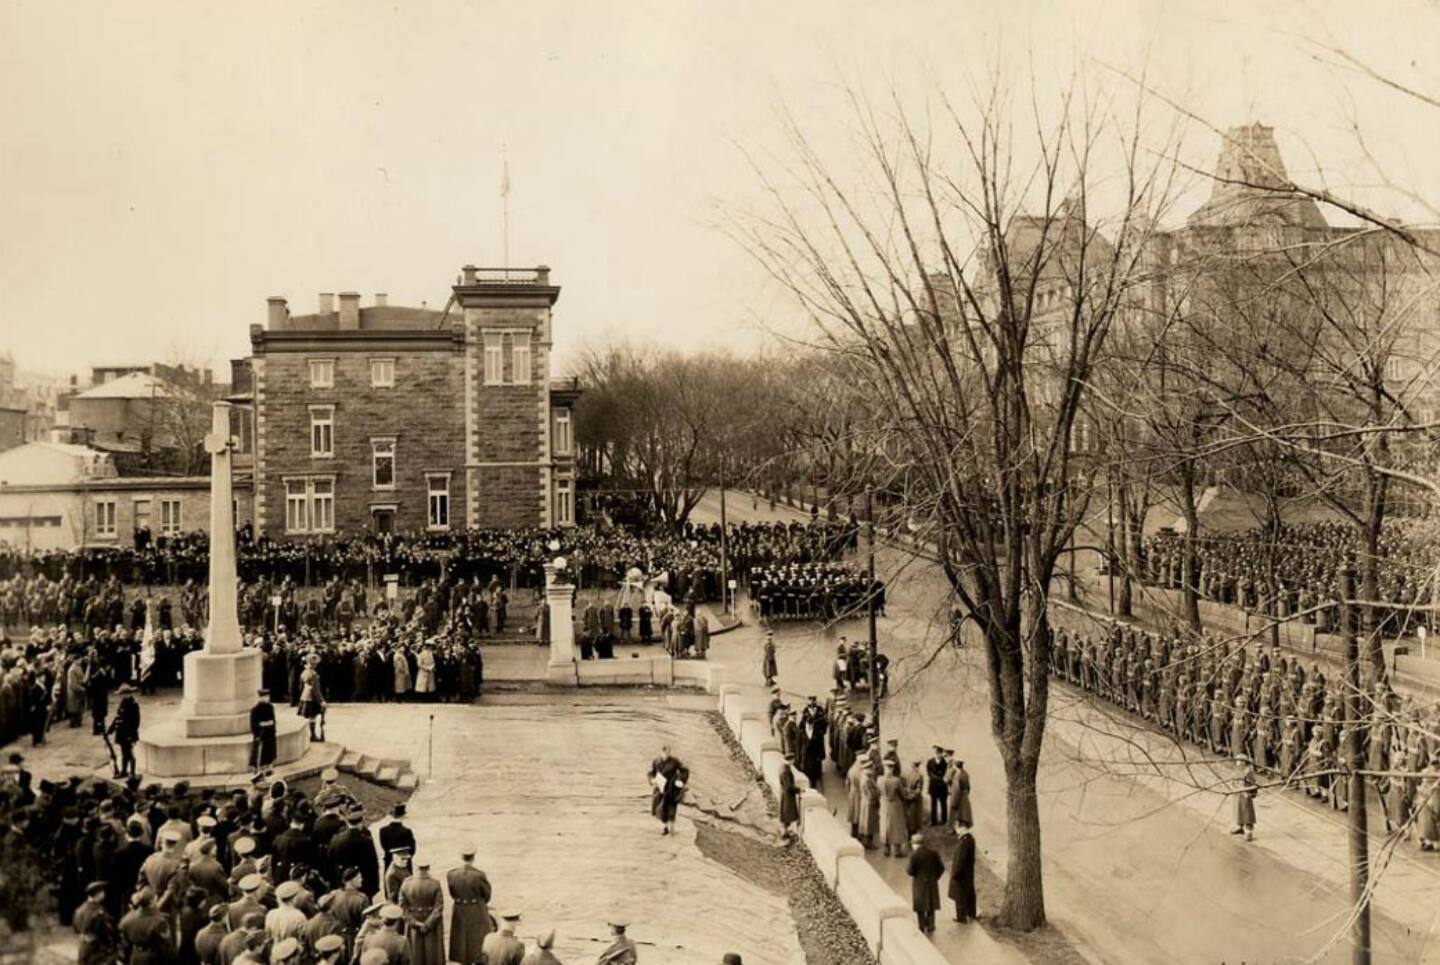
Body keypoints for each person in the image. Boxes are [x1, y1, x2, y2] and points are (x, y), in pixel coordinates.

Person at [446, 845, 493, 965]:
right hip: (475, 908)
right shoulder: (479, 875)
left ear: (461, 857)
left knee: (460, 939)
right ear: (473, 858)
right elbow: (487, 895)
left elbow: (452, 893)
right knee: (477, 940)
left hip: (459, 909)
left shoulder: (451, 874)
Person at [400, 858, 445, 965]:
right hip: (431, 926)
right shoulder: (435, 883)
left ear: (416, 867)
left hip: (413, 925)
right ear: (428, 868)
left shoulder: (406, 883)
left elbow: (402, 908)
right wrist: (427, 924)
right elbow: (438, 907)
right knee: (432, 955)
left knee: (415, 955)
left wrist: (414, 923)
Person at [906, 833, 945, 934]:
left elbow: (910, 871)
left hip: (919, 884)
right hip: (932, 883)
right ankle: (931, 925)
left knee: (920, 906)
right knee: (931, 905)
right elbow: (941, 868)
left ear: (915, 844)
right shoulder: (933, 853)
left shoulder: (914, 855)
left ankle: (922, 925)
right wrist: (936, 877)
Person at [648, 746, 688, 836]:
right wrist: (652, 780)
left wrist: (680, 781)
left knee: (671, 807)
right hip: (661, 787)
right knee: (661, 808)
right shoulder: (656, 761)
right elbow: (651, 773)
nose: (666, 754)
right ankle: (665, 827)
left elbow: (684, 770)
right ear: (661, 753)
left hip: (671, 787)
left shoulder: (674, 761)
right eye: (664, 753)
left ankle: (671, 827)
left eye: (668, 753)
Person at [75, 881, 117, 965]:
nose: (104, 894)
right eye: (102, 892)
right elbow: (107, 931)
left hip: (83, 948)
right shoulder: (99, 911)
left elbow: (76, 929)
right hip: (98, 950)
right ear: (97, 894)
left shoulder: (79, 910)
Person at [110, 684, 141, 778]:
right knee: (124, 753)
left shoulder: (133, 705)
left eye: (123, 694)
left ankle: (132, 772)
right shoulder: (123, 703)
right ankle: (124, 771)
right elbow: (118, 718)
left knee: (129, 753)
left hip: (128, 733)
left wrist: (131, 735)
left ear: (128, 694)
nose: (121, 696)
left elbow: (135, 722)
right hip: (122, 732)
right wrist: (111, 729)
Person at [950, 830, 977, 923]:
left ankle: (961, 917)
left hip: (961, 874)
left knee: (960, 896)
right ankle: (971, 913)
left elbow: (960, 861)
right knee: (969, 892)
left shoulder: (963, 843)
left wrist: (955, 874)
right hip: (968, 873)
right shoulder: (971, 840)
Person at [379, 804, 417, 869]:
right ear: (403, 816)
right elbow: (412, 850)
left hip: (389, 862)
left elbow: (384, 847)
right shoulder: (407, 831)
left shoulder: (383, 830)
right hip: (404, 864)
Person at [249, 689, 277, 774]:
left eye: (268, 696)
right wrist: (257, 734)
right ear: (260, 698)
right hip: (261, 734)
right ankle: (257, 769)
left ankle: (269, 767)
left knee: (270, 751)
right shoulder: (255, 710)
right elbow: (253, 724)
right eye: (265, 697)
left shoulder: (270, 707)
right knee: (258, 753)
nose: (267, 698)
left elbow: (273, 720)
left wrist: (272, 729)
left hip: (270, 733)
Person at [1232, 754, 1258, 841]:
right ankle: (1239, 826)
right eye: (1237, 761)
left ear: (1244, 762)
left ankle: (1249, 831)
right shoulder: (1236, 770)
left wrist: (1251, 792)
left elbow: (1252, 784)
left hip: (1245, 794)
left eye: (1239, 761)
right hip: (1237, 793)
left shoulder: (1248, 771)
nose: (1238, 762)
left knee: (1247, 812)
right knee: (1238, 810)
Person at [777, 756, 801, 842]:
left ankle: (785, 832)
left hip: (785, 795)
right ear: (790, 760)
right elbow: (788, 787)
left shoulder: (782, 768)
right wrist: (798, 790)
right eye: (793, 760)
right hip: (788, 796)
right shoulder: (786, 771)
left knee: (785, 813)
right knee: (787, 814)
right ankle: (784, 832)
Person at [947, 752, 972, 830]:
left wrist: (954, 801)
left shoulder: (957, 775)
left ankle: (954, 829)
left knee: (957, 814)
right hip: (965, 795)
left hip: (958, 796)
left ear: (956, 764)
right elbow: (968, 787)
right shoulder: (966, 774)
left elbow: (956, 789)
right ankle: (963, 828)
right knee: (964, 814)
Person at [925, 746, 949, 827]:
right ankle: (933, 821)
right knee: (933, 804)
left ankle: (944, 820)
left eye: (940, 753)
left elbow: (946, 773)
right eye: (937, 753)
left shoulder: (945, 763)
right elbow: (929, 773)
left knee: (943, 803)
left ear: (942, 753)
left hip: (942, 787)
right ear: (935, 753)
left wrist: (942, 779)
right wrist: (938, 778)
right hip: (934, 786)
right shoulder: (930, 762)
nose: (938, 755)